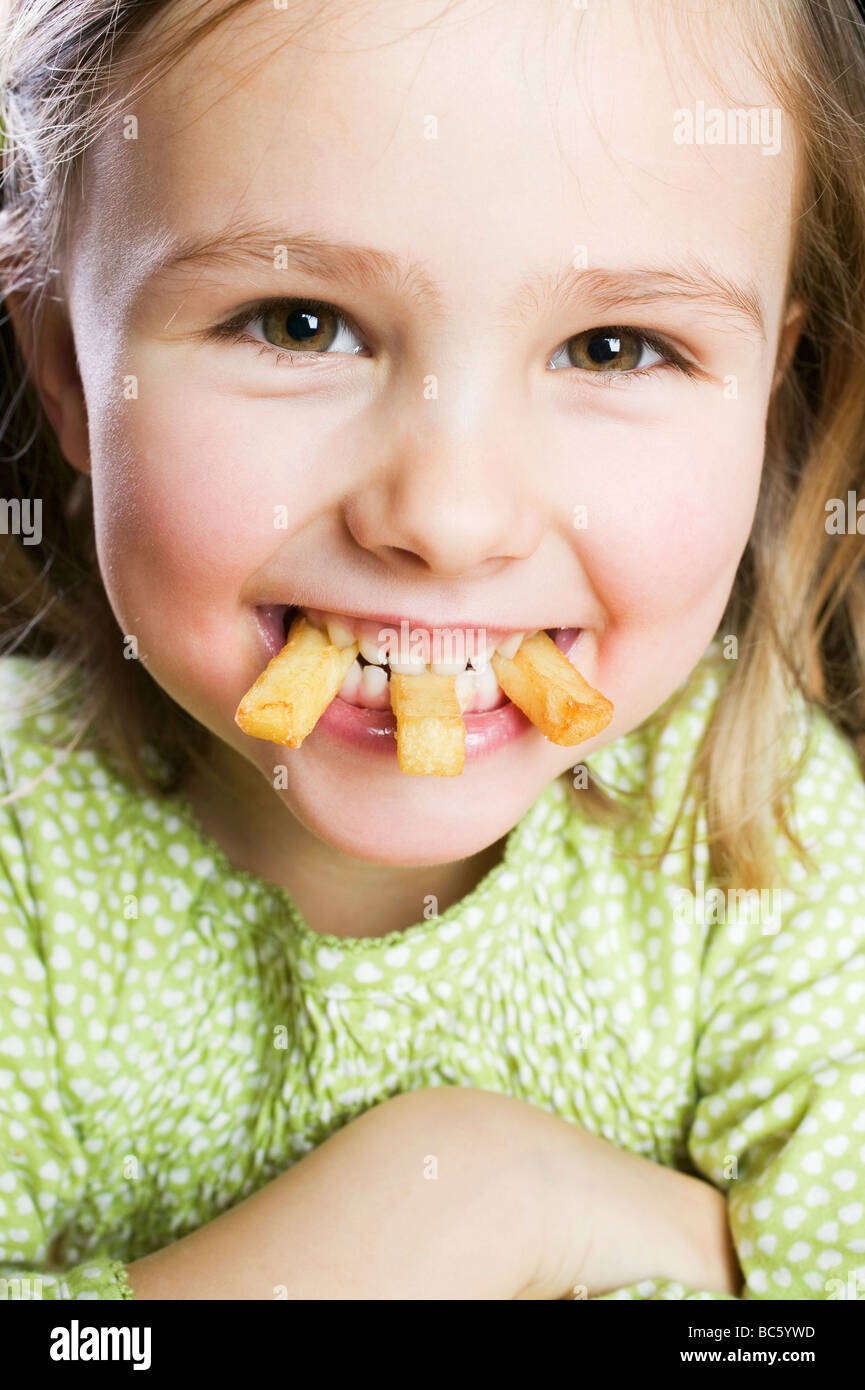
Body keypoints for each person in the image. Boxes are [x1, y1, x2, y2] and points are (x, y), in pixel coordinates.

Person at [1, 0, 864, 1301]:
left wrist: (526, 1202)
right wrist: (450, 1210)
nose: (448, 519)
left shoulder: (760, 830)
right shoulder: (22, 861)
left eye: (612, 347)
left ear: (762, 391)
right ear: (68, 364)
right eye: (297, 323)